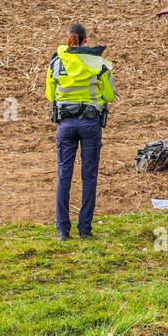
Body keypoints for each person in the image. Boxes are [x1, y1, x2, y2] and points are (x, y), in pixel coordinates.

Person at [45, 23, 116, 240]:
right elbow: (110, 95)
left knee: (63, 176)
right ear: (86, 41)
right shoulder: (99, 64)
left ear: (68, 40)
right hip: (90, 125)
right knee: (89, 177)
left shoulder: (56, 63)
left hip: (65, 125)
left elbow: (50, 95)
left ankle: (62, 231)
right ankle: (84, 229)